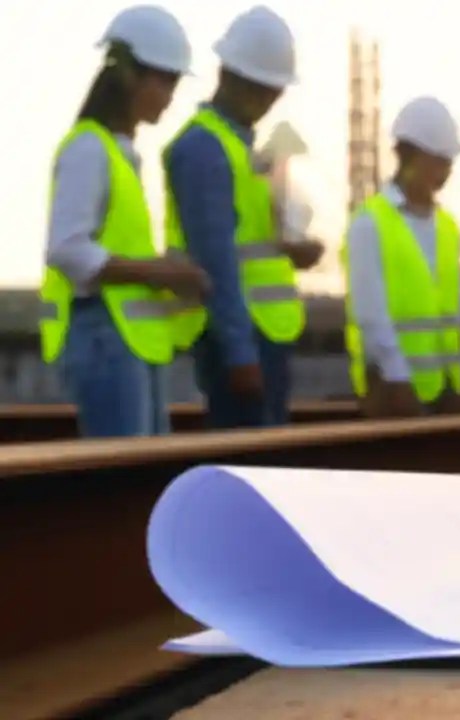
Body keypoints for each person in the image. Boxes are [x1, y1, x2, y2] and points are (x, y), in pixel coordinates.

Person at [39, 6, 209, 438]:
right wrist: (160, 272)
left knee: (144, 478)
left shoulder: (119, 154)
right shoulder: (88, 150)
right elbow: (66, 249)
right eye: (165, 80)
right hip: (104, 340)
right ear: (132, 77)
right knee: (125, 482)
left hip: (127, 342)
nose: (170, 95)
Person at [164, 5, 324, 429]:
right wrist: (239, 354)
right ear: (237, 80)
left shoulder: (241, 149)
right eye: (267, 89)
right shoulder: (203, 148)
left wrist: (291, 250)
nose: (272, 101)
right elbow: (216, 259)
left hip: (262, 336)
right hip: (239, 343)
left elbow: (247, 244)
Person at [341, 96, 460, 417]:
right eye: (438, 161)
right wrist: (397, 378)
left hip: (445, 388)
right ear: (409, 156)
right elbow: (371, 315)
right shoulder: (370, 223)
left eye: (448, 162)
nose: (444, 172)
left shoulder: (447, 227)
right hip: (390, 390)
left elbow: (450, 305)